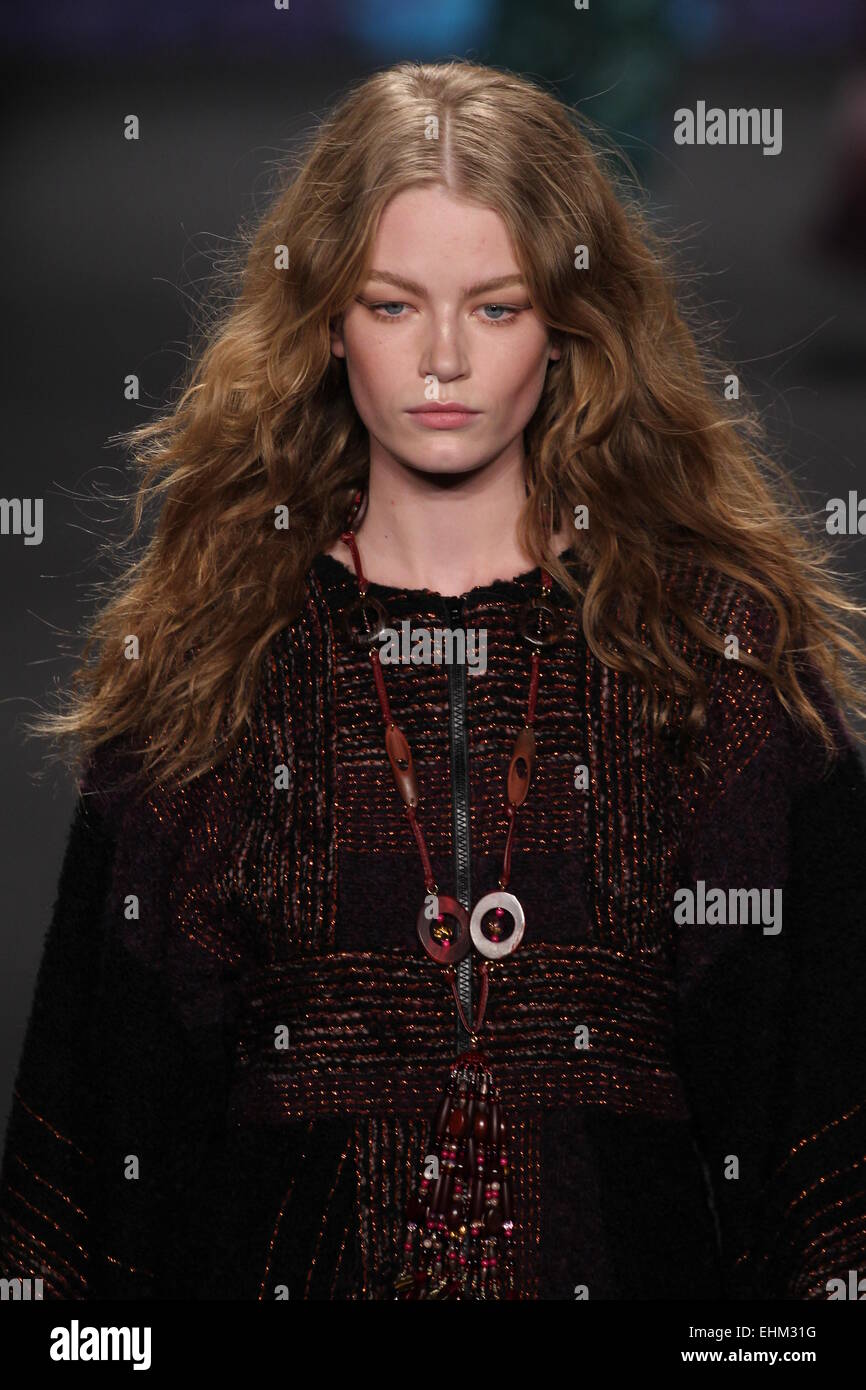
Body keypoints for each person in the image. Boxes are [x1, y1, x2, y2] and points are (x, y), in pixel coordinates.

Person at [1, 59, 865, 1301]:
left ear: (571, 329)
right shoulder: (215, 669)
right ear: (325, 321)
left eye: (498, 307)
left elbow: (818, 1139)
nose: (444, 359)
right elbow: (93, 1149)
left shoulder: (706, 666)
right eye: (394, 304)